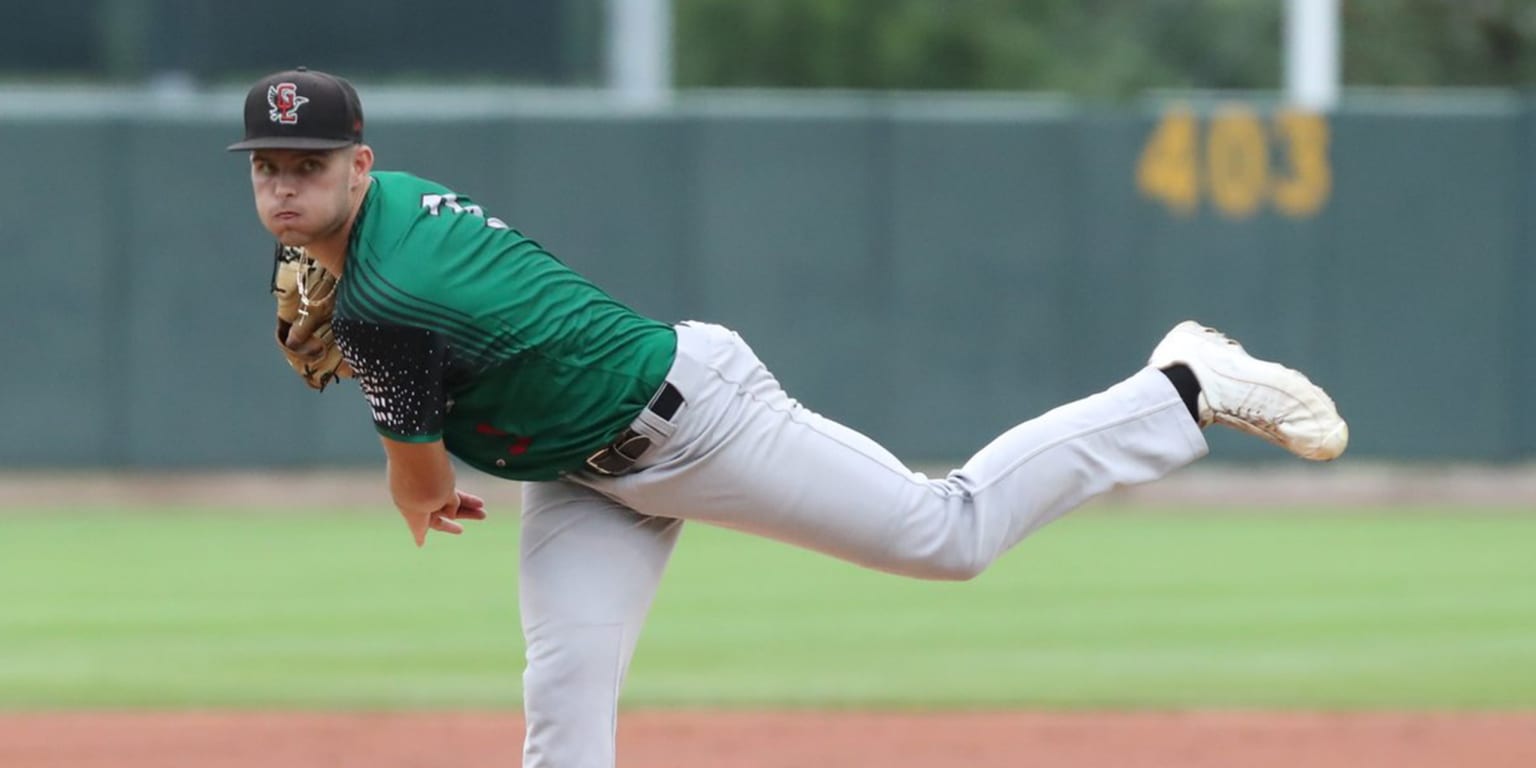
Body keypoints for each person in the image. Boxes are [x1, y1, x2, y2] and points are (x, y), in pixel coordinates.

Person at [230, 68, 1348, 767]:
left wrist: (403, 428)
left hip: (693, 421)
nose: (285, 189)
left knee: (946, 534)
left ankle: (1180, 386)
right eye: (268, 168)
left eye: (310, 167)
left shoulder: (379, 304)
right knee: (565, 697)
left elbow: (422, 486)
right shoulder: (403, 201)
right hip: (584, 467)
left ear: (358, 164)